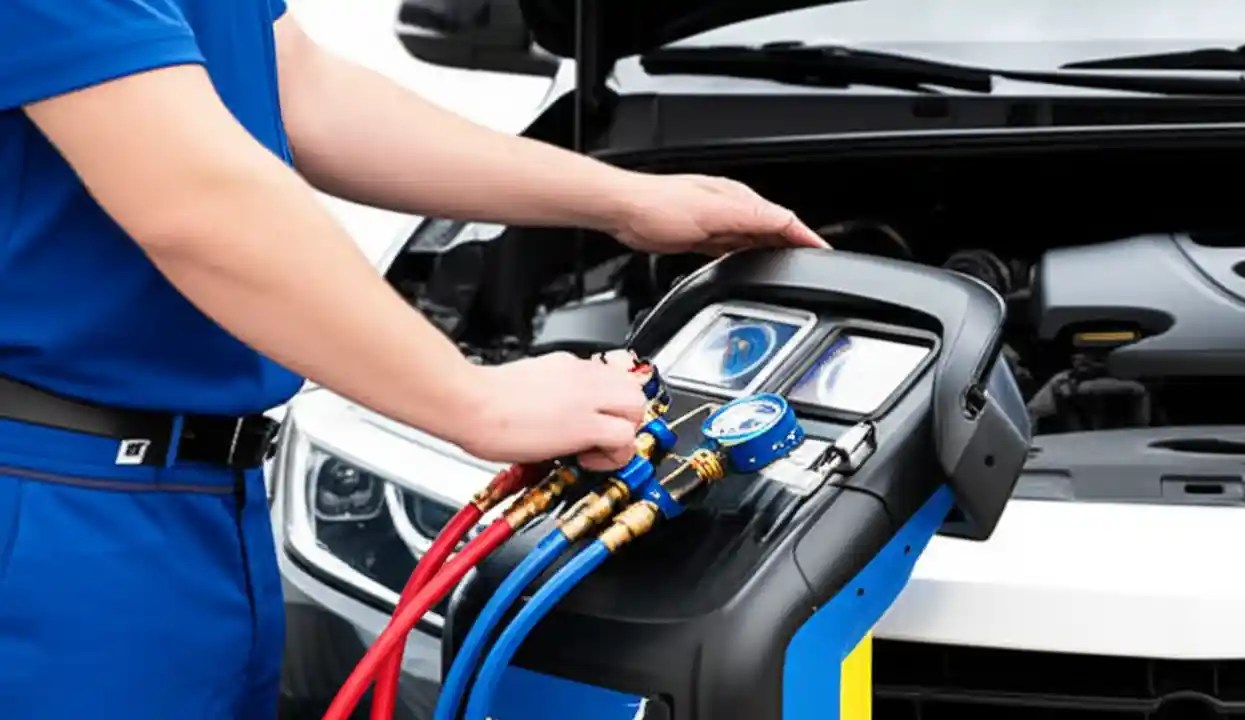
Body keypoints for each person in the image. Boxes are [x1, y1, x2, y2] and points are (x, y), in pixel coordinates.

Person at [0, 1, 829, 718]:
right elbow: (194, 197)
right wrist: (475, 403)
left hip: (201, 504)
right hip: (63, 509)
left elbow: (303, 88)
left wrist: (627, 200)